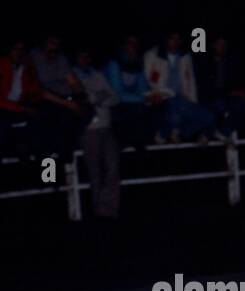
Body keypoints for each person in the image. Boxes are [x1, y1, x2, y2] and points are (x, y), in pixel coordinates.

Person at [72, 48, 119, 219]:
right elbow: (80, 101)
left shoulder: (98, 74)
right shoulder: (72, 76)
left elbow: (115, 97)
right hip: (89, 130)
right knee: (94, 171)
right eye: (81, 56)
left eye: (87, 55)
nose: (84, 59)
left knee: (112, 167)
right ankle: (98, 209)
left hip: (106, 126)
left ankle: (110, 209)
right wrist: (98, 96)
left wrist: (95, 98)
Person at [144, 30, 214, 143]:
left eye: (178, 39)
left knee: (208, 117)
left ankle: (177, 132)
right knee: (176, 115)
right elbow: (146, 79)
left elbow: (190, 80)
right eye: (172, 38)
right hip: (161, 98)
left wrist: (193, 101)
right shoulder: (152, 55)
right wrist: (155, 94)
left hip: (181, 98)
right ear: (166, 39)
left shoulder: (185, 55)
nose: (175, 42)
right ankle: (166, 132)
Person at [31, 35, 85, 163]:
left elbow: (73, 82)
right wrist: (68, 104)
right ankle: (48, 175)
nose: (54, 45)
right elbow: (39, 90)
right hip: (43, 100)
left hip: (63, 99)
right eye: (51, 42)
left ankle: (66, 164)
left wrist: (79, 99)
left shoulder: (61, 58)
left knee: (81, 115)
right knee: (47, 135)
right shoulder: (33, 58)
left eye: (57, 43)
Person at [106, 36, 161, 151]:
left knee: (156, 107)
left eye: (136, 43)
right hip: (111, 103)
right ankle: (127, 143)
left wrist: (152, 95)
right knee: (136, 109)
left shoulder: (137, 62)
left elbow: (142, 87)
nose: (133, 46)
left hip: (130, 103)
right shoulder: (114, 64)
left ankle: (144, 141)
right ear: (124, 45)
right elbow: (118, 95)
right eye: (130, 43)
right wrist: (143, 99)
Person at [196, 35, 245, 142]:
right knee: (216, 107)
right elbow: (205, 87)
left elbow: (235, 82)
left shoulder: (229, 62)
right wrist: (232, 92)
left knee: (243, 104)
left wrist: (239, 91)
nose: (222, 47)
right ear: (213, 45)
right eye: (219, 44)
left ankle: (223, 132)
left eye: (224, 45)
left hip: (225, 97)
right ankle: (205, 133)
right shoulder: (205, 61)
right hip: (209, 98)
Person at [0, 41, 42, 160]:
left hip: (19, 108)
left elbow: (37, 91)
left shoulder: (26, 68)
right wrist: (23, 108)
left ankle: (43, 163)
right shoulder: (2, 65)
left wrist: (31, 70)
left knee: (42, 118)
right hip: (5, 108)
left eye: (21, 49)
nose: (19, 52)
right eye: (15, 49)